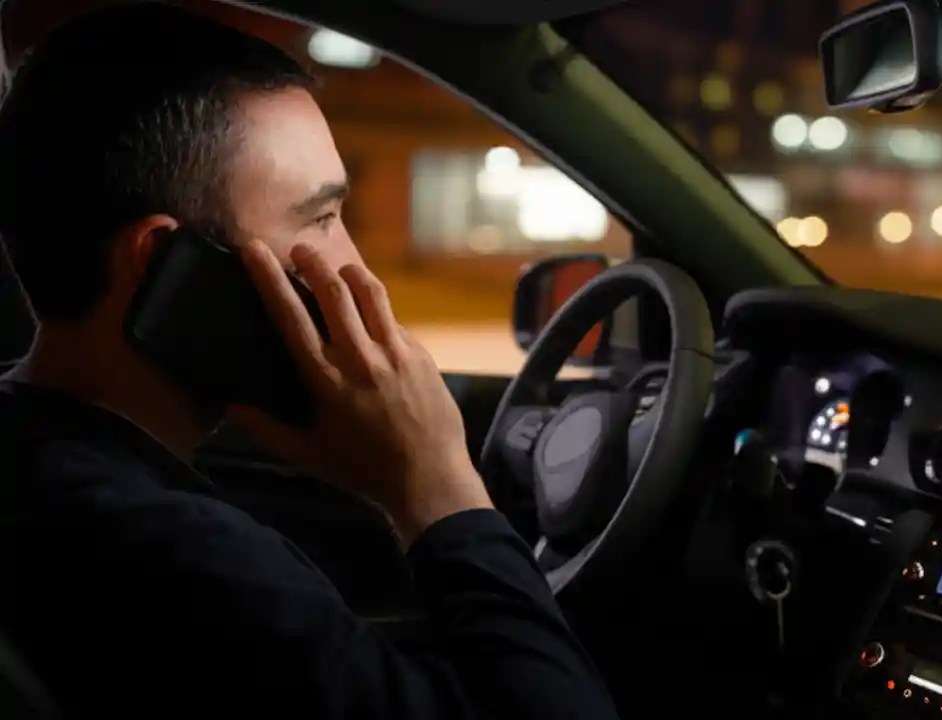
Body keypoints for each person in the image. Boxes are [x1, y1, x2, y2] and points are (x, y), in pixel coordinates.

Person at [0, 3, 619, 718]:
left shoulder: (45, 462)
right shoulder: (172, 556)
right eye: (321, 221)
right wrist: (439, 488)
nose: (360, 272)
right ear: (168, 266)